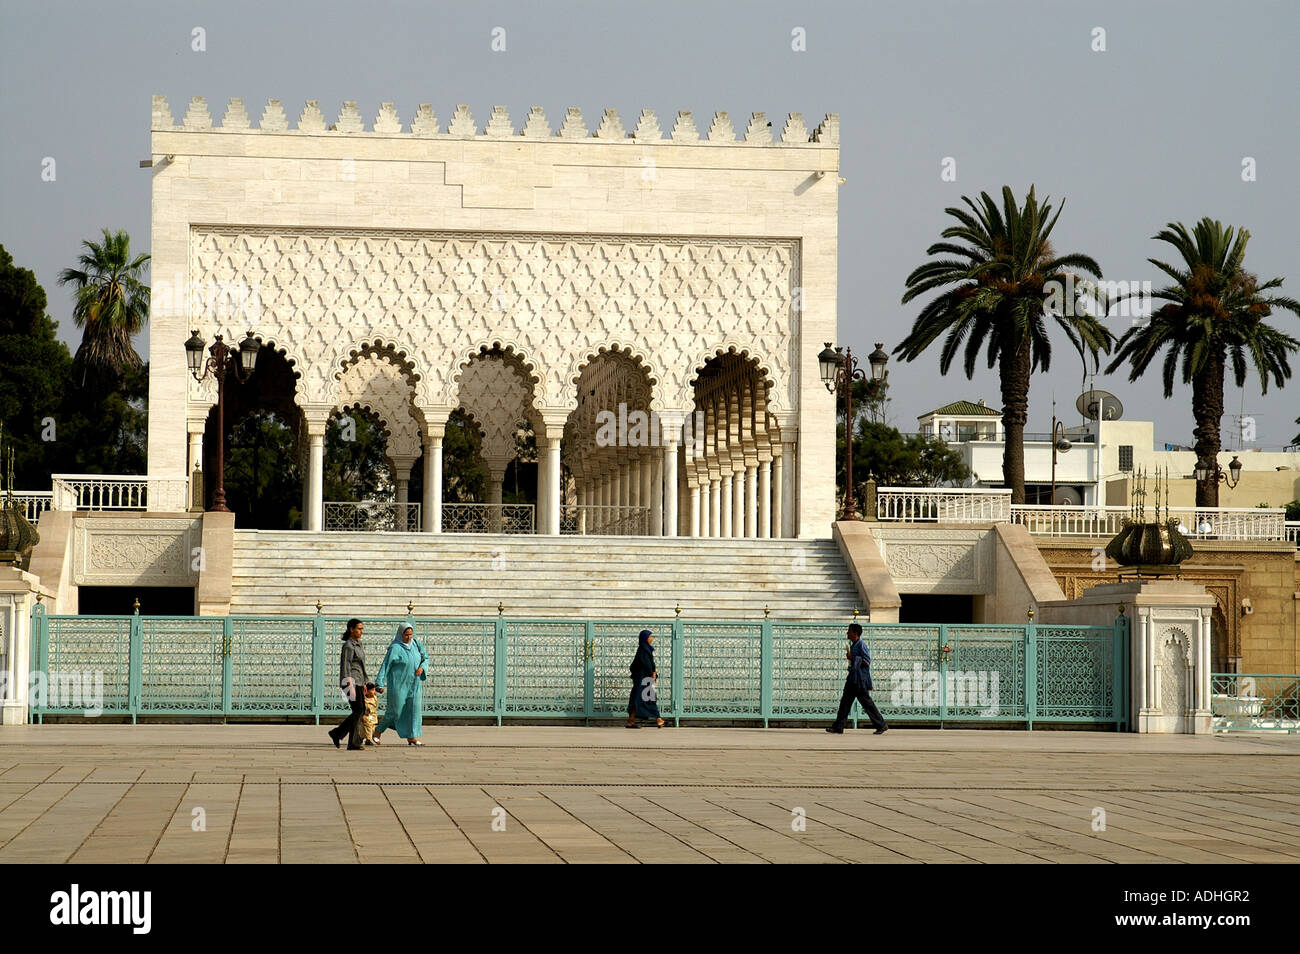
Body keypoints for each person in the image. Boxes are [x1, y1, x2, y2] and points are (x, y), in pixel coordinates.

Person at [826, 622, 888, 735]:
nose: (847, 633)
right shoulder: (854, 644)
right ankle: (838, 726)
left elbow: (866, 661)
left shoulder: (861, 645)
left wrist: (852, 657)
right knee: (845, 703)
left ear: (855, 633)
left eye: (849, 631)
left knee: (867, 703)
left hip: (859, 680)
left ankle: (881, 724)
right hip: (852, 679)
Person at [375, 624, 428, 746]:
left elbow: (425, 658)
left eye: (410, 634)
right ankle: (378, 731)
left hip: (415, 685)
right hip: (399, 685)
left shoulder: (416, 644)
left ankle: (412, 736)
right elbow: (385, 665)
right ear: (400, 634)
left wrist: (422, 667)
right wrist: (380, 682)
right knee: (395, 711)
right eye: (406, 634)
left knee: (414, 710)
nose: (408, 637)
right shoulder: (395, 648)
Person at [329, 619, 370, 750]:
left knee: (359, 711)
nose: (361, 631)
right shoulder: (348, 646)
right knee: (358, 710)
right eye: (359, 628)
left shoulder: (358, 644)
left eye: (362, 629)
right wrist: (349, 684)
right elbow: (346, 666)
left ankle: (348, 739)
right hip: (350, 682)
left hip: (358, 681)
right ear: (351, 629)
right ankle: (341, 735)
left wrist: (364, 682)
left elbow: (360, 666)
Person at [626, 628, 665, 728]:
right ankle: (658, 719)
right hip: (644, 679)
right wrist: (653, 674)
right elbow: (647, 664)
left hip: (643, 679)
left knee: (638, 699)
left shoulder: (645, 648)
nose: (652, 638)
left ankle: (631, 721)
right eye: (650, 636)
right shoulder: (644, 649)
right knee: (648, 698)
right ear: (645, 638)